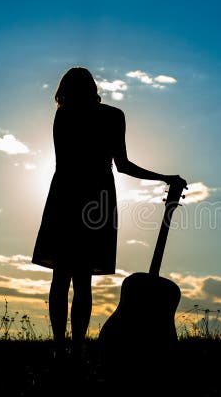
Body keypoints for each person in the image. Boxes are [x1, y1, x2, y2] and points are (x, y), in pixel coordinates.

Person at [32, 66, 184, 358]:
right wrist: (163, 178)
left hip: (65, 195)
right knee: (81, 277)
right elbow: (123, 165)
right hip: (96, 196)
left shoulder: (64, 115)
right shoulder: (112, 116)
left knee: (62, 276)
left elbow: (66, 164)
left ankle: (60, 346)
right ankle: (75, 346)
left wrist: (164, 178)